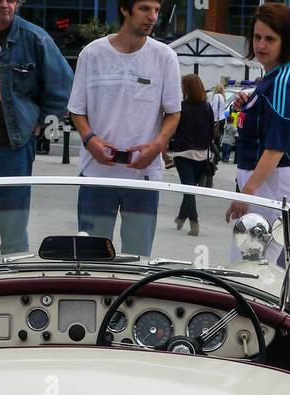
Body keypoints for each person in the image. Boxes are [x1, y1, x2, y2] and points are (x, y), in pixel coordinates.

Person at [0, 0, 73, 254]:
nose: (6, 5)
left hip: (11, 152)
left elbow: (64, 84)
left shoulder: (35, 38)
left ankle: (11, 288)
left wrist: (42, 126)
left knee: (12, 236)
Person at [68, 0, 182, 258]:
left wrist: (157, 145)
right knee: (91, 258)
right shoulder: (92, 54)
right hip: (96, 174)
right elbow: (76, 109)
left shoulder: (165, 57)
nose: (152, 17)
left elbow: (174, 112)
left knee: (138, 260)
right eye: (144, 9)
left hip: (143, 178)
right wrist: (89, 139)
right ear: (124, 9)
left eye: (156, 10)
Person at [226, 3, 290, 261]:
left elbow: (276, 146)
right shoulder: (277, 77)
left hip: (275, 180)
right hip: (273, 180)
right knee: (258, 264)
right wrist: (249, 104)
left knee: (247, 265)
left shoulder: (282, 82)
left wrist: (247, 191)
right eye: (257, 37)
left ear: (285, 41)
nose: (261, 45)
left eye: (270, 39)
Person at [170, 73, 215, 238]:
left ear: (186, 88)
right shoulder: (207, 107)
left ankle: (194, 222)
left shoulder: (181, 107)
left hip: (183, 153)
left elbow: (174, 129)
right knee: (190, 188)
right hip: (202, 155)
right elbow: (212, 133)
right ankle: (181, 217)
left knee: (188, 190)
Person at [210, 79, 227, 152]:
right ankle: (218, 153)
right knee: (219, 137)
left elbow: (214, 110)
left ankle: (216, 153)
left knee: (214, 137)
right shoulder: (223, 97)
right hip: (222, 118)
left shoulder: (216, 96)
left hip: (216, 119)